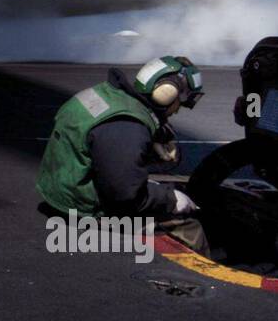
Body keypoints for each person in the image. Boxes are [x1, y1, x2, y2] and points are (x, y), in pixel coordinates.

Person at [36, 55, 209, 254]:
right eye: (180, 101)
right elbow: (125, 196)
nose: (178, 110)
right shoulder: (128, 127)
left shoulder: (109, 94)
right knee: (191, 229)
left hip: (62, 188)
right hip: (81, 208)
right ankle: (198, 281)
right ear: (166, 93)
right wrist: (171, 199)